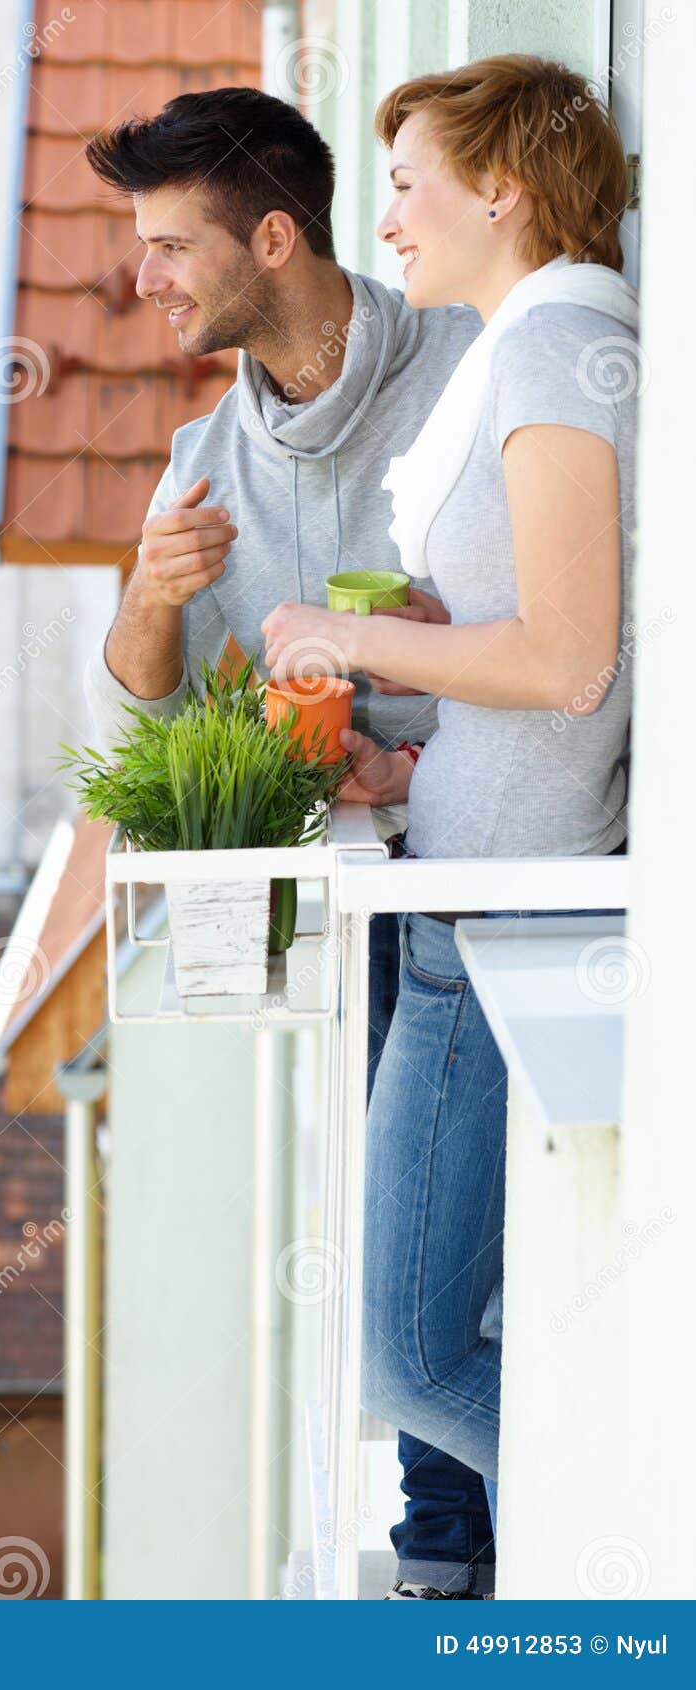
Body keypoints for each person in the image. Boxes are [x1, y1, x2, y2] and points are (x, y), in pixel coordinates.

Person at [83, 86, 497, 1598]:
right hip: (374, 915)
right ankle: (450, 1554)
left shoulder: (467, 365)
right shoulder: (205, 455)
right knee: (411, 1275)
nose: (150, 278)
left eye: (173, 244)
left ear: (275, 236)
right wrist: (144, 599)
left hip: (532, 869)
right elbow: (154, 721)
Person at [261, 55, 637, 1553]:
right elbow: (532, 647)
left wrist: (353, 636)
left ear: (509, 188)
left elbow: (565, 658)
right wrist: (413, 743)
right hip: (468, 888)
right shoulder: (533, 349)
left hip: (502, 918)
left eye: (412, 179)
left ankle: (622, 1536)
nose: (390, 216)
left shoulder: (555, 358)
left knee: (410, 1353)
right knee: (426, 1334)